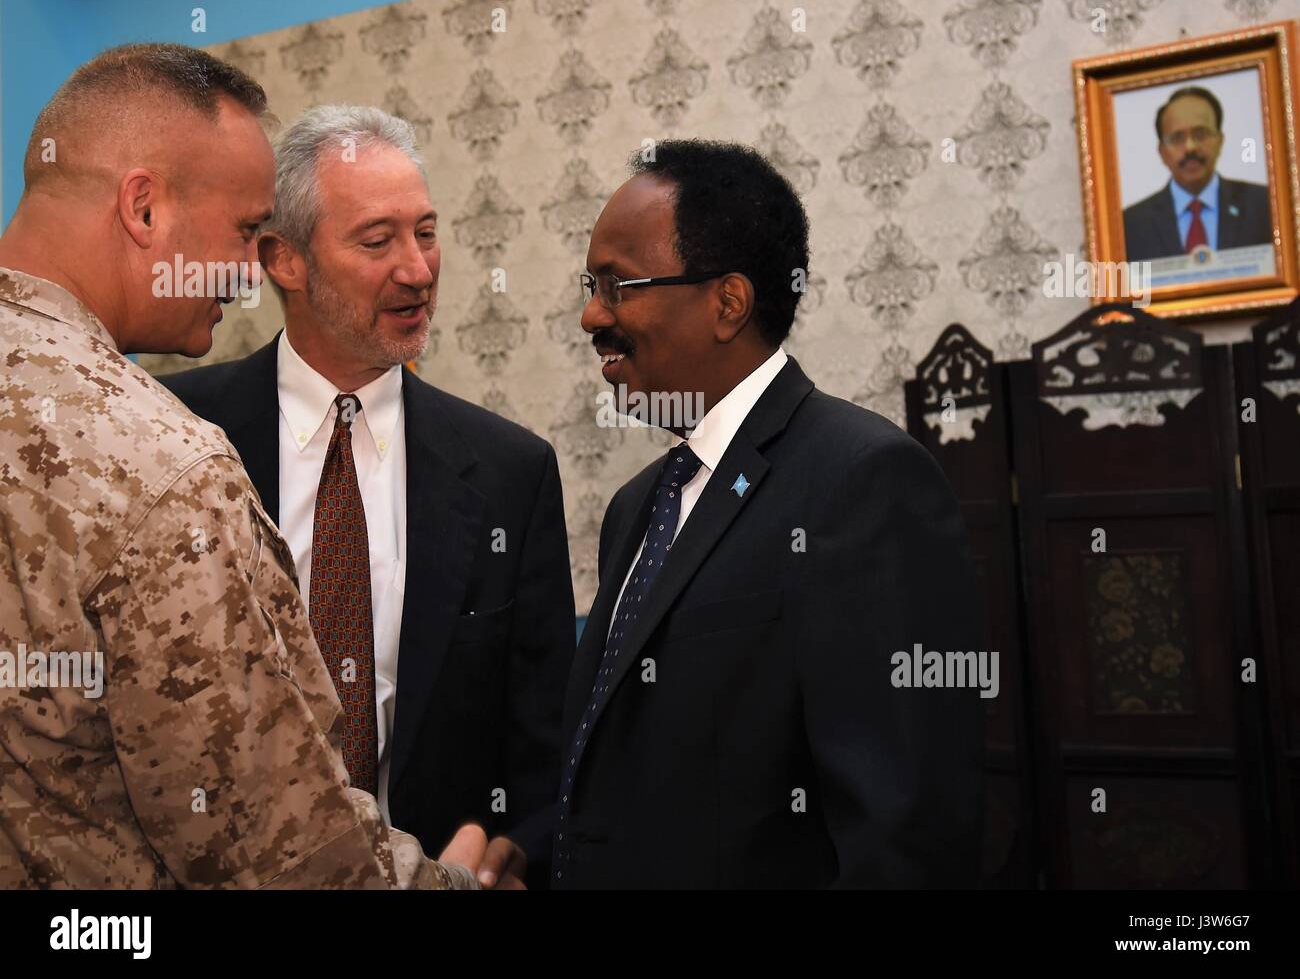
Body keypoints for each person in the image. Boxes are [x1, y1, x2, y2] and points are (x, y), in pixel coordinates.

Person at [0, 44, 478, 889]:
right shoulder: (159, 468)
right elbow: (287, 857)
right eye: (245, 232)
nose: (248, 271)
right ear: (143, 209)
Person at [161, 106, 574, 890]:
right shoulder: (176, 432)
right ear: (283, 259)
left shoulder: (510, 473)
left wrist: (506, 845)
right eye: (378, 241)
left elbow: (546, 747)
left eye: (426, 232)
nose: (418, 270)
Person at [555, 140, 985, 889]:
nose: (593, 314)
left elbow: (905, 826)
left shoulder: (862, 481)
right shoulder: (637, 507)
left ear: (728, 302)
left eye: (618, 285)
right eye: (591, 285)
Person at [1122, 86, 1272, 261]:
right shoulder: (1131, 224)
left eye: (1201, 134)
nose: (1190, 147)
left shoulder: (1265, 205)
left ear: (1220, 141)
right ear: (1162, 152)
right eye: (1177, 138)